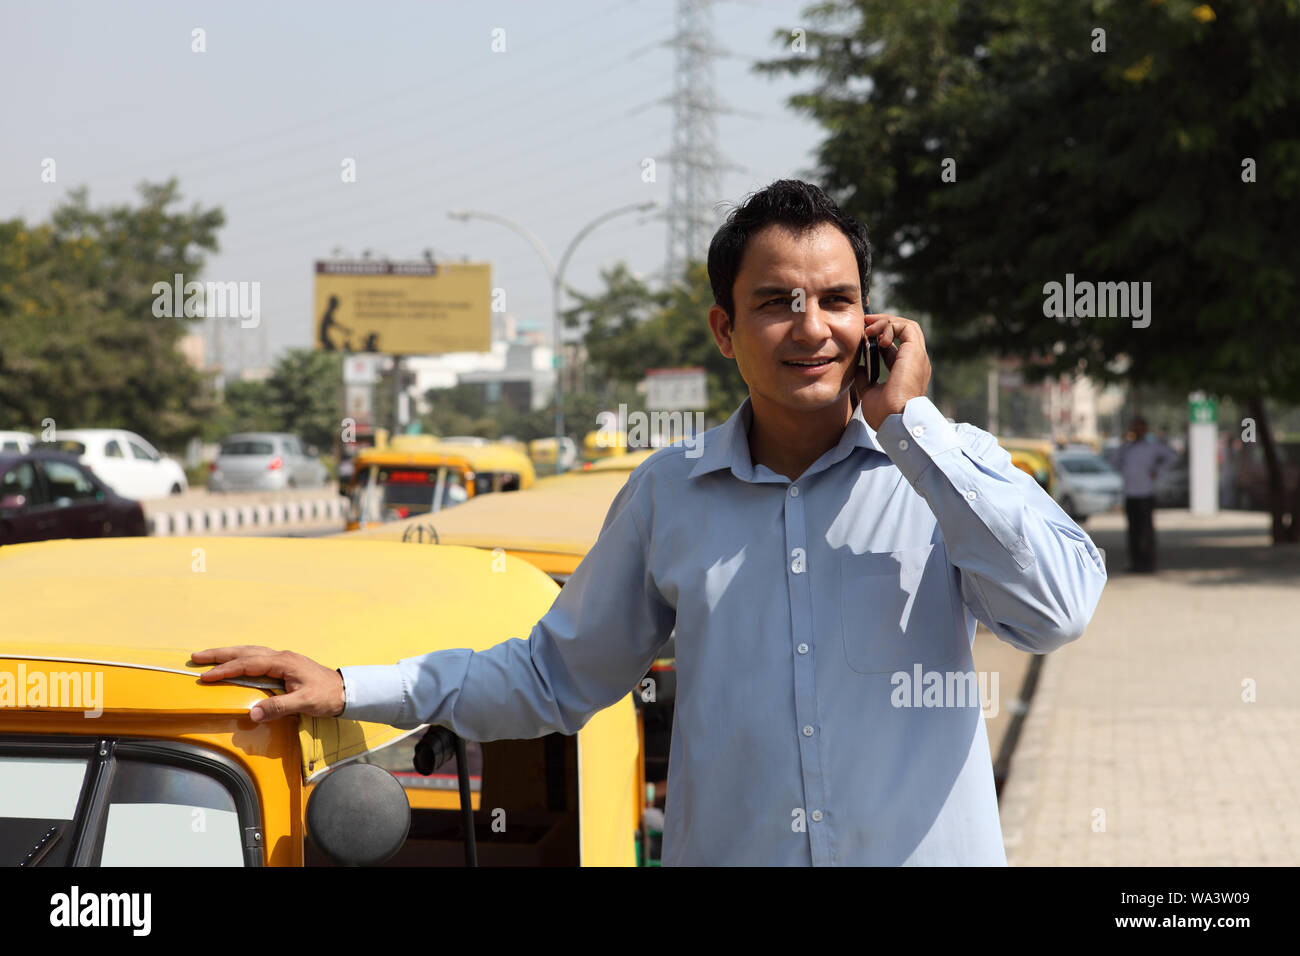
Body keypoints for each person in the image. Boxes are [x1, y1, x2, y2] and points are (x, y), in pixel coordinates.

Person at [193, 180, 1106, 866]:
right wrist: (353, 687)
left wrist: (911, 428)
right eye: (776, 303)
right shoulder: (671, 493)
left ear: (873, 319)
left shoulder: (946, 464)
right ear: (724, 328)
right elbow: (554, 675)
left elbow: (1057, 611)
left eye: (835, 300)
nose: (811, 328)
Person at [1117, 416, 1177, 572]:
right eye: (1135, 427)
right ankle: (1135, 563)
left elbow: (1172, 457)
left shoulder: (1152, 447)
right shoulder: (1126, 448)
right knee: (1133, 531)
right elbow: (1114, 460)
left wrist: (1158, 470)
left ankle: (1148, 563)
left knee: (1146, 531)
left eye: (1140, 427)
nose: (1137, 430)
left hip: (1145, 493)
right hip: (1131, 493)